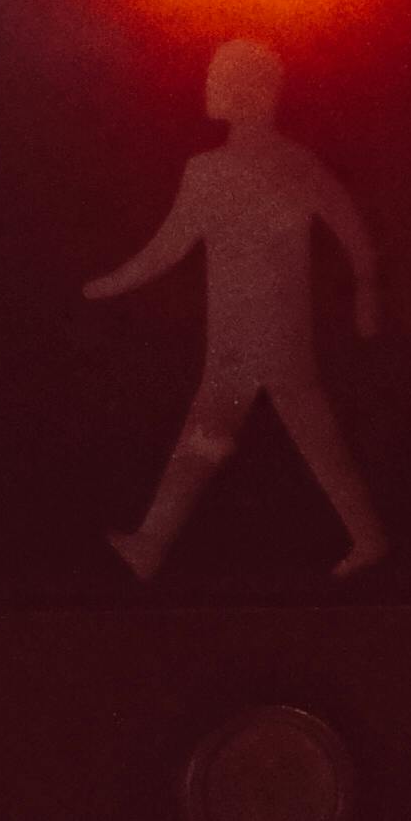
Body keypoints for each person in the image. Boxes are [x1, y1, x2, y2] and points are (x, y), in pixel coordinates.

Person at [86, 42, 388, 581]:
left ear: (244, 92)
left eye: (218, 77)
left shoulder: (214, 172)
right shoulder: (289, 164)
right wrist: (365, 293)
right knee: (282, 433)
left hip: (243, 340)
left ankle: (152, 545)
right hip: (272, 334)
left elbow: (167, 248)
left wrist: (108, 285)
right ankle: (152, 544)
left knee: (237, 434)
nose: (208, 85)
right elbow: (354, 234)